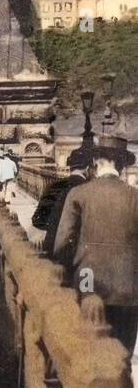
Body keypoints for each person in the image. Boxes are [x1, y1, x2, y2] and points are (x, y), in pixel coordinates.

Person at [52, 146, 138, 352]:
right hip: (127, 288)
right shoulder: (135, 196)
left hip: (88, 283)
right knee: (122, 353)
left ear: (96, 163)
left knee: (90, 348)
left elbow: (61, 244)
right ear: (121, 165)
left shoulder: (79, 194)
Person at [31, 148, 90, 255]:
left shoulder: (54, 186)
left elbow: (37, 221)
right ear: (87, 168)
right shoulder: (88, 188)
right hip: (78, 252)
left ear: (69, 167)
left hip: (52, 248)